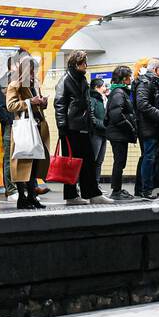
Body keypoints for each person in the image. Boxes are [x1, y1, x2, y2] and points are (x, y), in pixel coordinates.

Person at [54, 50, 109, 205]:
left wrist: (90, 122)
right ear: (77, 64)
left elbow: (87, 105)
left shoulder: (82, 81)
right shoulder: (65, 80)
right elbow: (59, 104)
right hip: (70, 128)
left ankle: (92, 193)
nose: (86, 65)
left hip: (84, 127)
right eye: (84, 62)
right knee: (70, 163)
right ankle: (71, 196)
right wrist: (62, 127)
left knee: (88, 162)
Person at [6, 50, 50, 210]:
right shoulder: (14, 85)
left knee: (35, 163)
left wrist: (42, 102)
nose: (34, 73)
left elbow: (37, 103)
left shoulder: (35, 84)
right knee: (22, 164)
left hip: (37, 126)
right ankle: (22, 198)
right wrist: (30, 101)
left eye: (35, 70)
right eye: (32, 70)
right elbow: (10, 106)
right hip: (24, 127)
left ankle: (32, 196)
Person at [135, 58, 159, 199]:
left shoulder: (156, 83)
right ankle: (146, 190)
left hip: (156, 128)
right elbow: (142, 104)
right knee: (149, 158)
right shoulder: (145, 83)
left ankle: (156, 190)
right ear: (156, 70)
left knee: (157, 159)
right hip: (148, 128)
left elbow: (157, 102)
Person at [104, 65, 138, 200]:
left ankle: (117, 189)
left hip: (118, 133)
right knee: (119, 162)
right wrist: (130, 127)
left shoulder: (119, 91)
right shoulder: (119, 92)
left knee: (120, 162)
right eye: (129, 76)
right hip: (118, 133)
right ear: (124, 79)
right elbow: (117, 115)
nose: (131, 78)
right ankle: (116, 191)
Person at [0, 55, 16, 199]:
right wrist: (8, 121)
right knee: (9, 157)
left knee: (21, 156)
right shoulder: (1, 82)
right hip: (10, 125)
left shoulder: (22, 82)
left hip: (21, 124)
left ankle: (23, 187)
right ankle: (11, 189)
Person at [89, 76, 109, 189]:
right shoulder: (93, 99)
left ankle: (95, 184)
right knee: (93, 160)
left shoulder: (103, 98)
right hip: (95, 133)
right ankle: (89, 184)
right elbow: (91, 116)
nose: (106, 88)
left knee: (99, 161)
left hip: (103, 133)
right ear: (97, 88)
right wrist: (102, 125)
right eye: (104, 86)